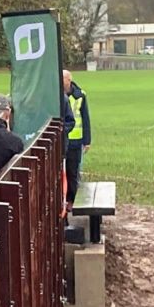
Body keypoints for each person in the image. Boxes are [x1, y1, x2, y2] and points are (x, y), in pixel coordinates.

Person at [63, 70, 92, 211]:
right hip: (62, 140)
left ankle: (72, 200)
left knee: (73, 172)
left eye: (63, 78)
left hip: (75, 139)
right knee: (62, 171)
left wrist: (87, 140)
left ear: (69, 80)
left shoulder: (80, 95)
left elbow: (85, 118)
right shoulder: (57, 95)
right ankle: (63, 199)